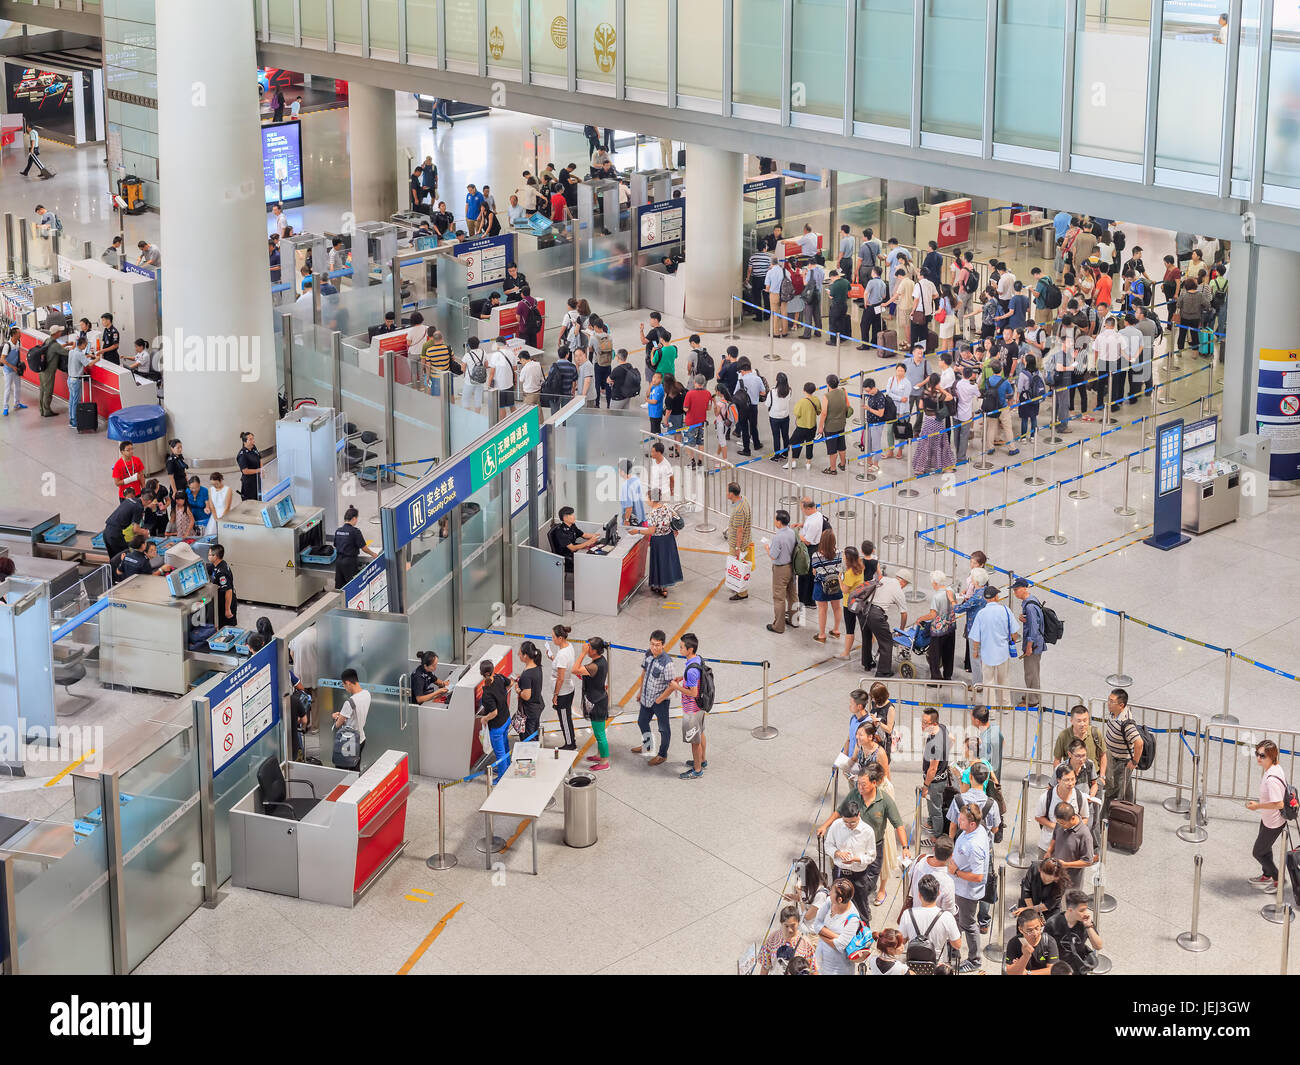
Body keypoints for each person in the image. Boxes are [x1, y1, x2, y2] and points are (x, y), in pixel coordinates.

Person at [817, 762, 910, 925]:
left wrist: (905, 847)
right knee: (849, 889)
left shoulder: (884, 801)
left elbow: (898, 824)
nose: (859, 787)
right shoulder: (854, 794)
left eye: (863, 784)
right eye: (858, 783)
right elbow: (839, 812)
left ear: (874, 783)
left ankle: (861, 912)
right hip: (851, 849)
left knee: (866, 886)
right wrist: (825, 825)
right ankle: (855, 913)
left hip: (874, 846)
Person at [948, 803, 992, 972]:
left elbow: (978, 876)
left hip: (966, 893)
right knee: (956, 919)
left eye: (962, 819)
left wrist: (956, 871)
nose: (958, 819)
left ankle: (974, 960)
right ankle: (954, 948)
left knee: (968, 924)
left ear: (972, 824)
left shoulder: (975, 846)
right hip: (959, 888)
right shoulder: (973, 831)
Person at [967, 584, 1020, 709]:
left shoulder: (981, 614)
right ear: (996, 597)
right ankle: (1005, 705)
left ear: (986, 598)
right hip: (1002, 653)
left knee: (988, 682)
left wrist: (975, 651)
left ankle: (990, 709)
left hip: (987, 654)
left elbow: (976, 637)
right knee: (1004, 679)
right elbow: (1015, 634)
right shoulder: (1006, 610)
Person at [1248, 740, 1289, 891]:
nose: (1258, 758)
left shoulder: (1271, 779)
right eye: (1257, 754)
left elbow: (1279, 804)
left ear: (1271, 756)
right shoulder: (1275, 767)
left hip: (1273, 822)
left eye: (1262, 755)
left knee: (1258, 852)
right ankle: (1266, 874)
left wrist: (1257, 806)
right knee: (1265, 849)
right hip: (1268, 819)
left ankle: (1278, 879)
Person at [900, 874, 962, 970]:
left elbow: (901, 941)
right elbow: (957, 945)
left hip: (913, 966)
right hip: (937, 966)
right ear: (938, 894)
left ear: (919, 894)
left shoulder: (907, 914)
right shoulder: (947, 917)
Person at [632, 629, 674, 766]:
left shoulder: (667, 663)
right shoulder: (648, 654)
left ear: (663, 645)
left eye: (657, 645)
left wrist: (660, 699)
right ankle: (647, 745)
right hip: (646, 697)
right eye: (652, 644)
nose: (654, 647)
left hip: (659, 701)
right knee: (642, 722)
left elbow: (671, 685)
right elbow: (644, 673)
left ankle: (662, 755)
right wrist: (640, 692)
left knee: (663, 729)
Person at [626, 496, 683, 598]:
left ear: (652, 500)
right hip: (669, 539)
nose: (646, 500)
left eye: (647, 498)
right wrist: (673, 529)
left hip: (658, 541)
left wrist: (637, 531)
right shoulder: (666, 506)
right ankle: (664, 587)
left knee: (659, 563)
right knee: (667, 562)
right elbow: (675, 518)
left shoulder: (653, 514)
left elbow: (651, 531)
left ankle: (659, 585)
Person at [1101, 687, 1143, 823]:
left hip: (1121, 762)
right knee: (1126, 790)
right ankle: (1130, 815)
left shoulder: (1126, 723)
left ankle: (1104, 820)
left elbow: (1139, 743)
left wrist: (1134, 762)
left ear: (1121, 705)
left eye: (1112, 701)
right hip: (1112, 758)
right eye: (1108, 700)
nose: (1108, 703)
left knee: (1111, 792)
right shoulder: (1114, 714)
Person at [671, 633, 709, 779]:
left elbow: (693, 693)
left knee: (694, 741)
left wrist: (676, 686)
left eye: (682, 647)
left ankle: (697, 769)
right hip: (700, 707)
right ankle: (702, 760)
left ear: (690, 649)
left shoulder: (691, 670)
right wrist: (683, 677)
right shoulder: (697, 659)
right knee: (701, 733)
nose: (680, 650)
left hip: (691, 709)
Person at [810, 879, 865, 976]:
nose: (829, 893)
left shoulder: (853, 918)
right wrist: (836, 936)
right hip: (822, 957)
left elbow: (840, 945)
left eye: (831, 891)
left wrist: (822, 934)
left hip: (839, 967)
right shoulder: (829, 902)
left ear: (840, 900)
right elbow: (816, 924)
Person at [573, 637, 611, 771]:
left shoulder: (595, 665)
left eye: (588, 648)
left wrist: (582, 654)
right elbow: (589, 674)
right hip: (598, 698)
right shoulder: (600, 660)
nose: (586, 649)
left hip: (597, 703)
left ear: (594, 651)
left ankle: (604, 762)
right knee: (598, 732)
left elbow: (575, 669)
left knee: (600, 735)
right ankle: (600, 755)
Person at [1035, 766, 1087, 859]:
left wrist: (1074, 829)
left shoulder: (1080, 797)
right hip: (1047, 845)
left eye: (1073, 779)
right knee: (1044, 871)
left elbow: (1085, 817)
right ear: (1058, 780)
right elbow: (1038, 817)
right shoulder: (1046, 797)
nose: (1071, 783)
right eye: (1066, 780)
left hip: (1071, 847)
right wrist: (1056, 827)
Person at [910, 373, 954, 475]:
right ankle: (942, 466)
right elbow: (950, 397)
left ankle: (921, 468)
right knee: (941, 443)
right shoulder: (939, 395)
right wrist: (941, 389)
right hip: (938, 421)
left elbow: (920, 406)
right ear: (938, 382)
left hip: (927, 421)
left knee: (925, 444)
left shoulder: (924, 393)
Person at [1046, 801, 1095, 889]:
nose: (1060, 825)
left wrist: (1066, 864)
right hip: (1056, 874)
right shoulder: (1060, 823)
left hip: (1071, 880)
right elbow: (1055, 837)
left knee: (1070, 901)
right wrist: (1049, 851)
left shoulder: (1085, 835)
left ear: (1072, 818)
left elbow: (1088, 861)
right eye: (1058, 822)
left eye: (1063, 823)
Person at [759, 905, 819, 975]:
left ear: (798, 922)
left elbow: (813, 970)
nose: (790, 930)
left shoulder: (806, 944)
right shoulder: (772, 939)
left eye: (793, 925)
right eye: (786, 926)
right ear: (781, 923)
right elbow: (765, 966)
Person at [476, 659, 512, 775]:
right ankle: (506, 766)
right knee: (505, 745)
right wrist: (502, 694)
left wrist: (484, 718)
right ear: (493, 670)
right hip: (506, 718)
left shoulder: (487, 693)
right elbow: (510, 683)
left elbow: (494, 713)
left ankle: (501, 776)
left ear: (482, 674)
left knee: (499, 752)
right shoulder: (499, 678)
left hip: (497, 726)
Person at [766, 509, 799, 635]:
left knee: (779, 598)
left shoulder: (778, 537)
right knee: (792, 594)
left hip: (781, 569)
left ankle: (778, 626)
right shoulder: (791, 532)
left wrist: (767, 548)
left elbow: (773, 556)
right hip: (792, 566)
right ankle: (795, 620)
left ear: (779, 522)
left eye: (775, 519)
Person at [548, 624, 580, 751]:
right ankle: (570, 740)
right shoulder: (568, 647)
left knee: (565, 720)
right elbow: (562, 664)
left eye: (553, 637)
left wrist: (555, 695)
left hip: (563, 692)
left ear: (560, 638)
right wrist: (552, 658)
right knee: (566, 717)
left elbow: (560, 678)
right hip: (568, 688)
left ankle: (570, 744)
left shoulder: (562, 655)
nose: (552, 639)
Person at [810, 527, 844, 644]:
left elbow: (815, 571)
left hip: (821, 585)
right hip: (836, 584)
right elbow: (840, 568)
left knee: (822, 609)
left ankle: (822, 634)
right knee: (837, 607)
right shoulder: (839, 553)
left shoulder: (816, 556)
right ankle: (836, 630)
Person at [331, 668, 370, 767]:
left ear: (348, 683)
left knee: (344, 770)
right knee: (355, 767)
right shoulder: (367, 694)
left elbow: (338, 724)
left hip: (349, 742)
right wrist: (343, 715)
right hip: (361, 738)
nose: (344, 687)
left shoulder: (350, 702)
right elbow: (355, 714)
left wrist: (336, 717)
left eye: (343, 685)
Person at [333, 505, 378, 587]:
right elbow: (364, 548)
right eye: (357, 518)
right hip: (349, 562)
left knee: (339, 586)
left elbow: (336, 546)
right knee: (352, 585)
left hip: (339, 562)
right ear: (354, 518)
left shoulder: (338, 531)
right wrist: (373, 554)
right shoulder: (355, 531)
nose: (356, 521)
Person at [509, 641, 545, 740]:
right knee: (534, 732)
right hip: (537, 705)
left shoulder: (527, 674)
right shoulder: (537, 666)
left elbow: (526, 696)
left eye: (520, 653)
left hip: (529, 710)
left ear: (525, 656)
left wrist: (517, 690)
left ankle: (529, 754)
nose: (518, 655)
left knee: (528, 737)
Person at [1015, 857, 1067, 922]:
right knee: (1026, 921)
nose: (1046, 882)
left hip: (1050, 905)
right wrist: (1033, 914)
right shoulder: (1034, 867)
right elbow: (1026, 891)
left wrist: (1027, 909)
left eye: (1050, 880)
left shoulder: (1061, 882)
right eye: (1044, 878)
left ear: (1056, 878)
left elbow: (1049, 904)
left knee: (1053, 924)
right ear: (1040, 870)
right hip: (1031, 898)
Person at [725, 483, 753, 602]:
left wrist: (737, 548)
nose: (726, 493)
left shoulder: (738, 510)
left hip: (739, 544)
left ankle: (742, 592)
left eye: (727, 491)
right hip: (745, 540)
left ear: (731, 494)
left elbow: (739, 530)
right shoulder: (744, 499)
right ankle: (737, 587)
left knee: (738, 567)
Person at [817, 374, 850, 474]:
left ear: (827, 384)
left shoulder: (827, 396)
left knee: (832, 449)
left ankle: (832, 469)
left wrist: (820, 426)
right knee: (841, 445)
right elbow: (847, 406)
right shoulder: (843, 392)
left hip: (831, 427)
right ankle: (843, 464)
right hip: (841, 424)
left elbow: (824, 413)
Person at [65, 336, 99, 429]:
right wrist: (97, 359)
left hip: (70, 379)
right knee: (76, 401)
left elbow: (79, 359)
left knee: (71, 400)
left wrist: (87, 356)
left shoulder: (71, 351)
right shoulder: (79, 354)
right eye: (86, 344)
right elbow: (88, 365)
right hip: (76, 380)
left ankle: (71, 420)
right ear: (83, 344)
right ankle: (75, 422)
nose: (86, 346)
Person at [787, 382, 820, 471]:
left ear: (804, 390)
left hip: (801, 427)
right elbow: (819, 411)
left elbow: (796, 413)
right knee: (809, 443)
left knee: (794, 442)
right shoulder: (816, 400)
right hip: (812, 426)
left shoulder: (801, 402)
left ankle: (793, 461)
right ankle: (808, 463)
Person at [207, 543, 238, 628]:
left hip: (226, 602)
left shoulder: (222, 572)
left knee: (226, 627)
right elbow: (207, 568)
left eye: (209, 555)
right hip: (219, 599)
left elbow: (228, 591)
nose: (208, 556)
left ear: (215, 556)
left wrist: (227, 609)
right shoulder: (216, 564)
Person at [236, 431, 264, 501]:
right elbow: (245, 471)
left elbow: (259, 458)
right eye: (250, 439)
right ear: (245, 442)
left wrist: (262, 470)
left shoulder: (253, 447)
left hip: (257, 479)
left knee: (259, 499)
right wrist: (258, 470)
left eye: (253, 439)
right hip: (249, 483)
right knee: (251, 501)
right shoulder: (242, 455)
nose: (253, 441)